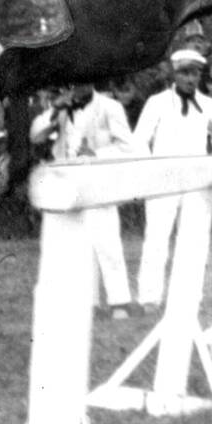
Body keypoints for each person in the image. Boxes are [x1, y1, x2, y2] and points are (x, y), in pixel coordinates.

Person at [134, 49, 212, 313]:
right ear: (174, 73)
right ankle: (149, 298)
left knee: (195, 240)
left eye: (195, 73)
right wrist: (150, 171)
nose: (191, 79)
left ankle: (189, 295)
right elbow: (139, 140)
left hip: (198, 182)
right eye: (185, 73)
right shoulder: (156, 103)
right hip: (162, 181)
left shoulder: (209, 104)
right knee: (156, 238)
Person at [30, 81, 137, 318]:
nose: (75, 87)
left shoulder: (110, 107)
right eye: (70, 83)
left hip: (99, 181)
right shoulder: (61, 109)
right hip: (68, 182)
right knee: (74, 244)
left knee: (107, 242)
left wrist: (97, 154)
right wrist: (55, 109)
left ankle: (120, 302)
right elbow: (36, 136)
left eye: (82, 82)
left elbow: (129, 148)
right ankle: (88, 302)